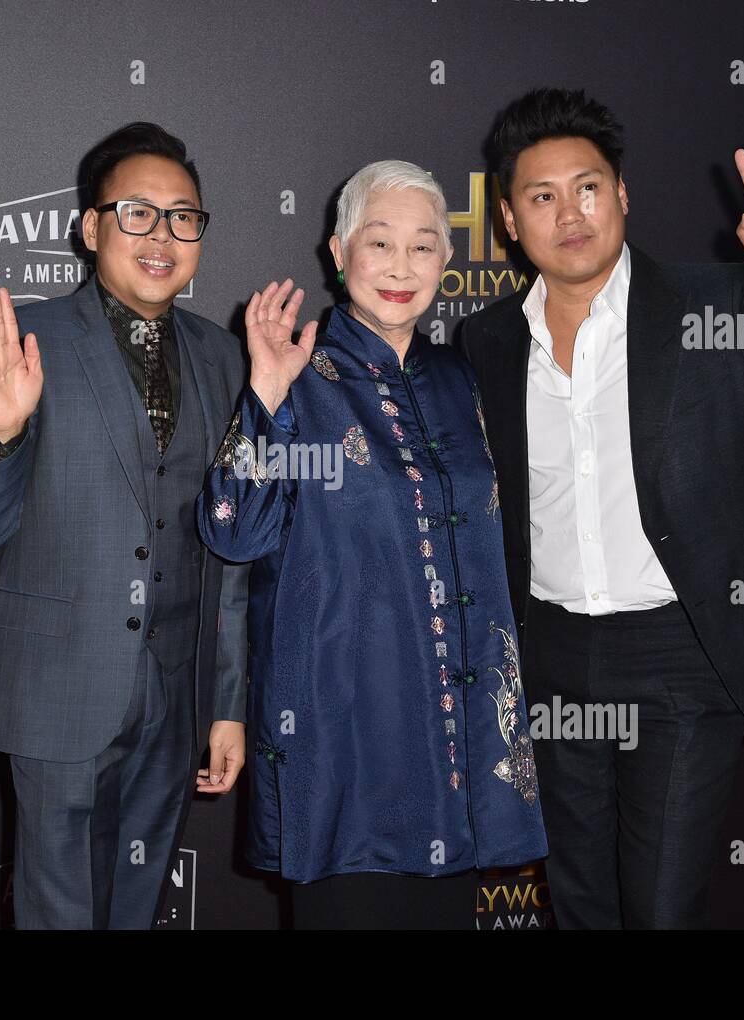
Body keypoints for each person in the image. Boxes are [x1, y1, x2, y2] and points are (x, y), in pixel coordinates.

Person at [461, 88, 744, 929]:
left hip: (684, 652)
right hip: (552, 655)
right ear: (509, 220)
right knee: (581, 902)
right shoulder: (485, 342)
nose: (571, 213)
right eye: (543, 196)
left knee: (663, 909)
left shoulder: (716, 307)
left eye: (589, 187)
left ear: (623, 194)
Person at [197, 161, 548, 930]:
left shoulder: (461, 378)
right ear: (338, 250)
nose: (400, 266)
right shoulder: (300, 372)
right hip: (343, 737)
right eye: (379, 242)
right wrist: (265, 398)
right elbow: (233, 528)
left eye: (424, 247)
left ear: (445, 264)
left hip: (456, 744)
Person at [0, 123, 250, 930]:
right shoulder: (25, 337)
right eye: (138, 213)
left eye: (184, 218)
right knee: (58, 908)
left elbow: (229, 551)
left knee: (138, 905)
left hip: (175, 691)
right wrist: (1, 434)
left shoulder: (224, 357)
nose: (163, 236)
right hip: (58, 683)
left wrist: (226, 701)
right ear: (91, 227)